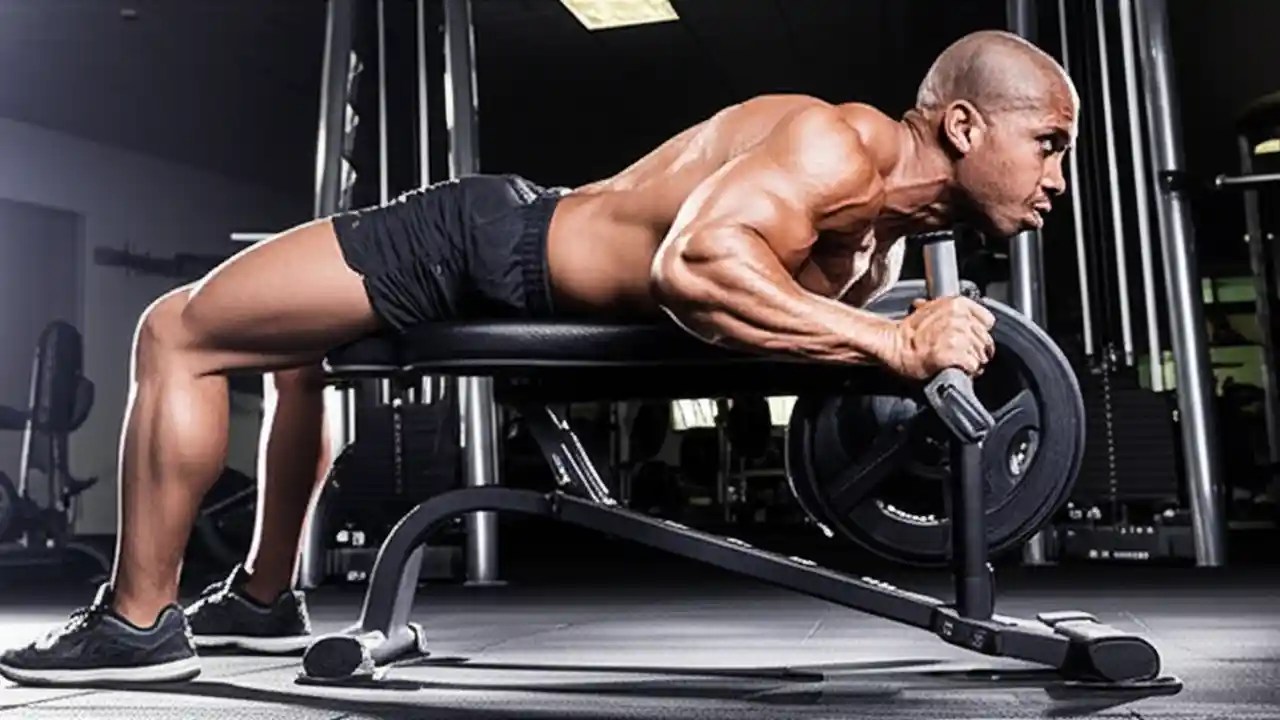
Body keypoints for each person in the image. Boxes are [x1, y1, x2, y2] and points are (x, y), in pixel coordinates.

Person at [0, 28, 1076, 685]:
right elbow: (697, 266)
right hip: (476, 247)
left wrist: (893, 333)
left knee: (286, 354)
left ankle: (262, 599)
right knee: (175, 330)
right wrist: (890, 337)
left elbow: (772, 302)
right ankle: (142, 623)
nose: (1055, 178)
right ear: (968, 125)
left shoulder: (883, 227)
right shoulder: (834, 145)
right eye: (1049, 145)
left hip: (513, 251)